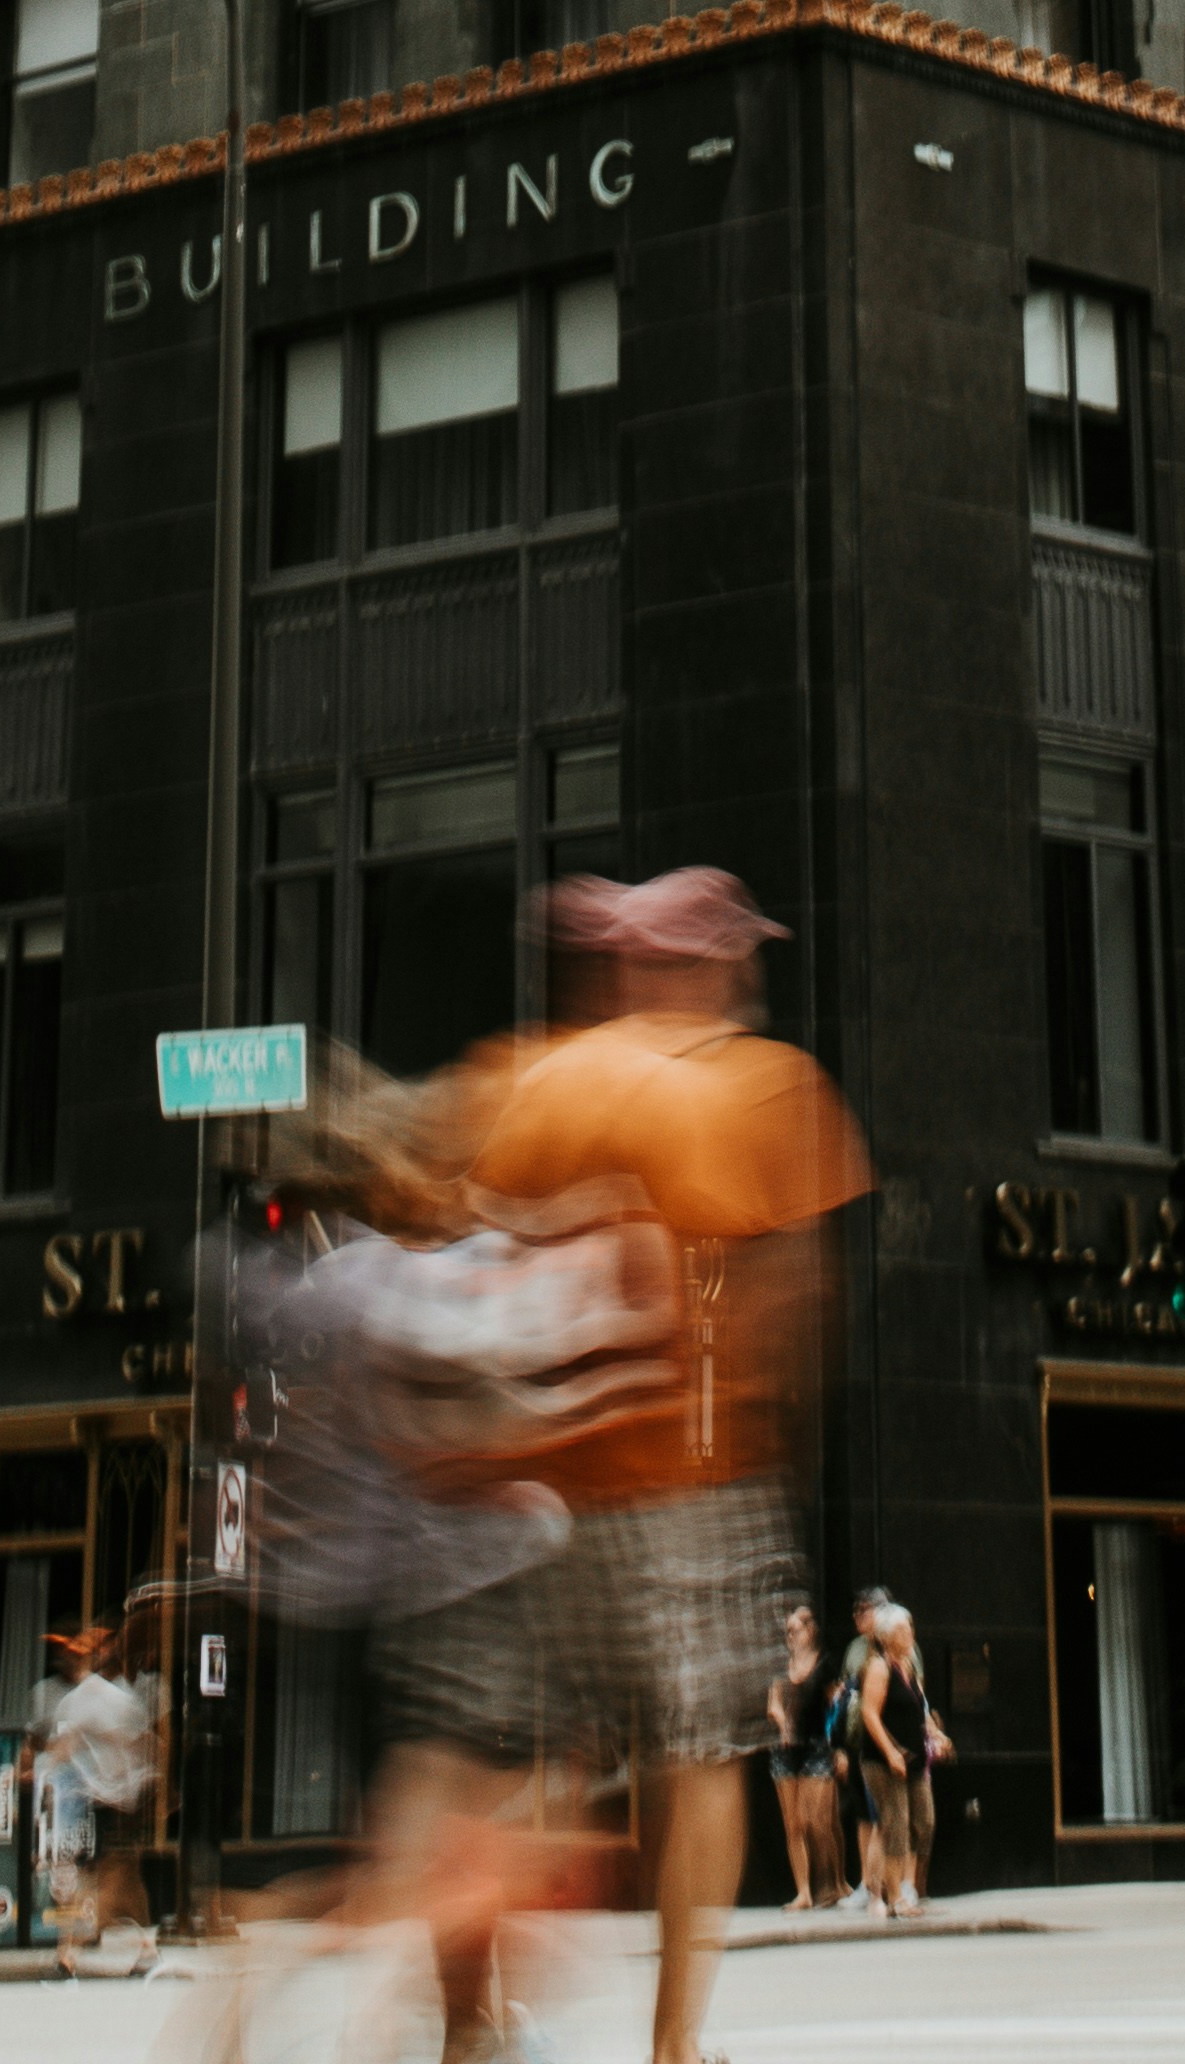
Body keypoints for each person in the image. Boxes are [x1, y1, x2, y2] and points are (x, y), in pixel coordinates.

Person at [421, 868, 871, 2064]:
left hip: (533, 1484)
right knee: (696, 1758)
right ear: (705, 964)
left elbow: (458, 1253)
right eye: (737, 953)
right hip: (685, 1477)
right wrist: (767, 1430)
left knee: (486, 1758)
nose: (749, 972)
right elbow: (785, 1292)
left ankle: (466, 2027)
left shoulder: (532, 1079)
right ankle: (673, 2046)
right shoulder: (757, 1087)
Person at [35, 1613, 160, 1974]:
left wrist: (37, 1771)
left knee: (112, 1879)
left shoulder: (94, 1700)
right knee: (113, 1877)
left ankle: (77, 1950)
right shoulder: (99, 1699)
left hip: (112, 1801)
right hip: (111, 1800)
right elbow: (142, 1743)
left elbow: (137, 1744)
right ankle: (84, 1949)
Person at [846, 1597, 939, 1916]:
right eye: (904, 1627)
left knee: (924, 1821)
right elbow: (870, 1715)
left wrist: (936, 1735)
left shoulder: (909, 1665)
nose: (910, 1632)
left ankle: (904, 1888)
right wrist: (890, 1753)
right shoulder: (878, 1667)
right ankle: (894, 1896)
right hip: (882, 1761)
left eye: (910, 1626)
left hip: (913, 1758)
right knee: (895, 1825)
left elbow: (919, 1708)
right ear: (888, 1635)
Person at [762, 1605, 841, 1911]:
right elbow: (774, 1704)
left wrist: (838, 1747)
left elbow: (836, 1707)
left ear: (810, 1631)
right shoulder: (782, 1666)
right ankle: (803, 1891)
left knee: (815, 1820)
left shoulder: (824, 1665)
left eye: (794, 1630)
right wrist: (782, 1723)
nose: (790, 1637)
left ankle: (831, 1883)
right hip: (787, 1750)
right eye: (787, 1632)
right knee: (793, 1824)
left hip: (816, 1747)